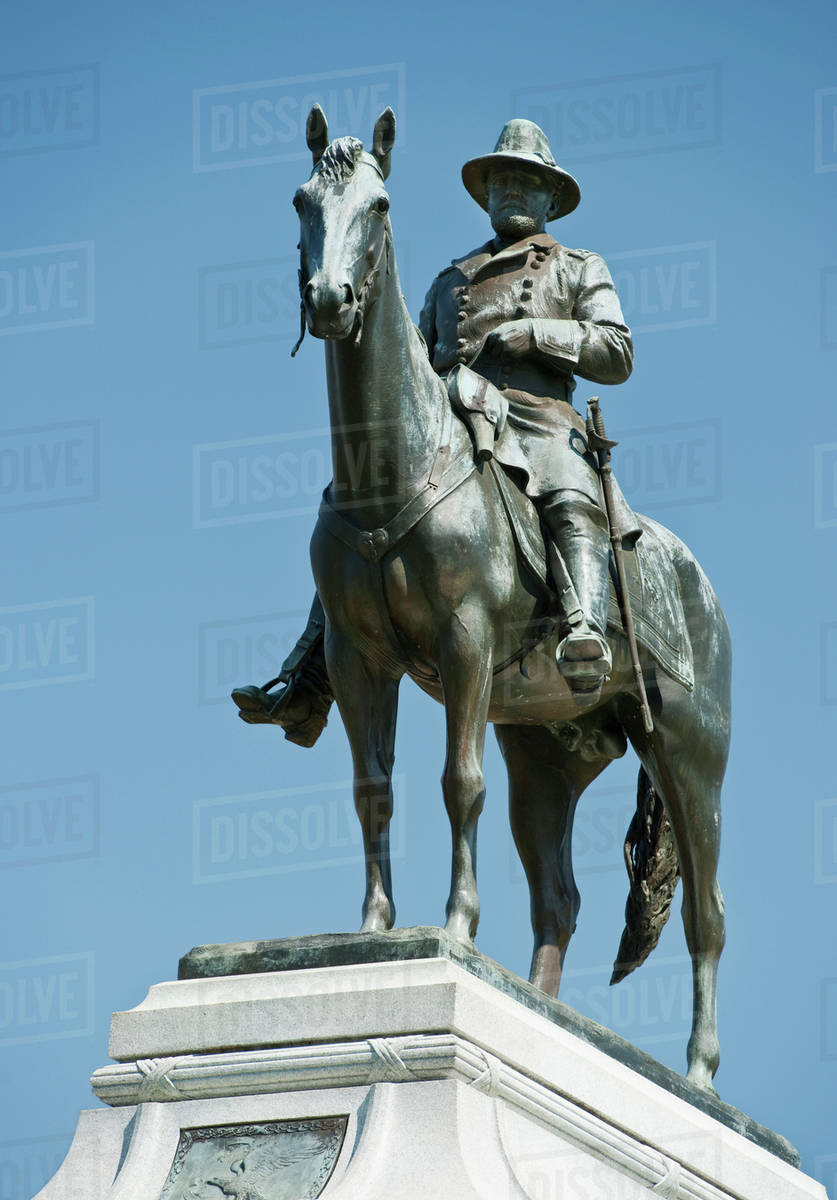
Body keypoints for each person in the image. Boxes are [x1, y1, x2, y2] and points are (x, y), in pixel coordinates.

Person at [232, 118, 633, 745]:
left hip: (539, 416)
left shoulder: (577, 267)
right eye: (501, 180)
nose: (511, 191)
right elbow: (412, 361)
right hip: (453, 413)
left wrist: (537, 335)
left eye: (528, 181)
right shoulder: (451, 280)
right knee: (364, 509)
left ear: (552, 197)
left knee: (565, 481)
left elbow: (616, 351)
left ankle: (583, 620)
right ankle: (312, 674)